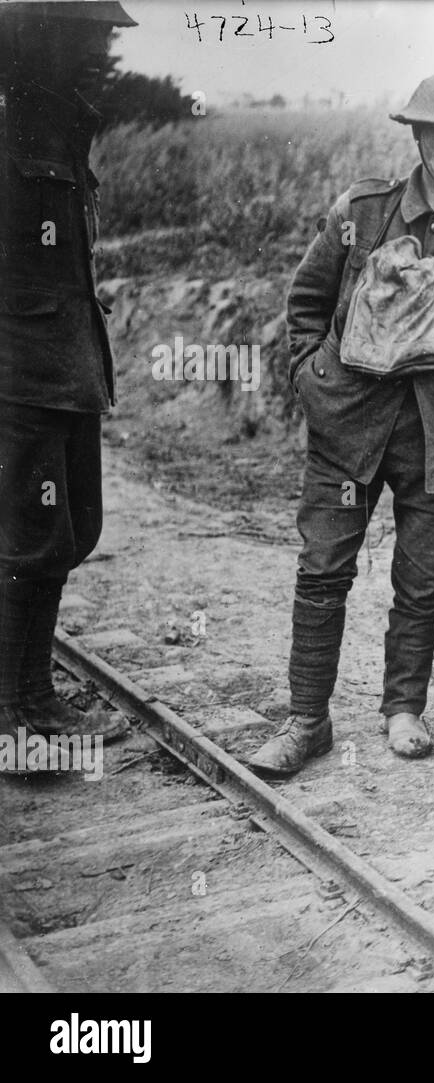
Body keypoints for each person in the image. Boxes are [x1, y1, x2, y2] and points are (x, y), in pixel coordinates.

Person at [247, 71, 434, 776]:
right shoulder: (362, 213)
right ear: (417, 133)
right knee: (322, 569)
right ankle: (307, 719)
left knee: (422, 579)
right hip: (350, 425)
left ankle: (402, 707)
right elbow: (307, 302)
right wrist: (316, 383)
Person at [0, 0, 137, 770]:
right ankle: (14, 709)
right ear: (39, 38)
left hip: (69, 363)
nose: (101, 51)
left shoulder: (62, 124)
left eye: (106, 36)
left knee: (73, 529)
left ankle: (31, 690)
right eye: (85, 35)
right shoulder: (9, 122)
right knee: (27, 537)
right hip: (19, 372)